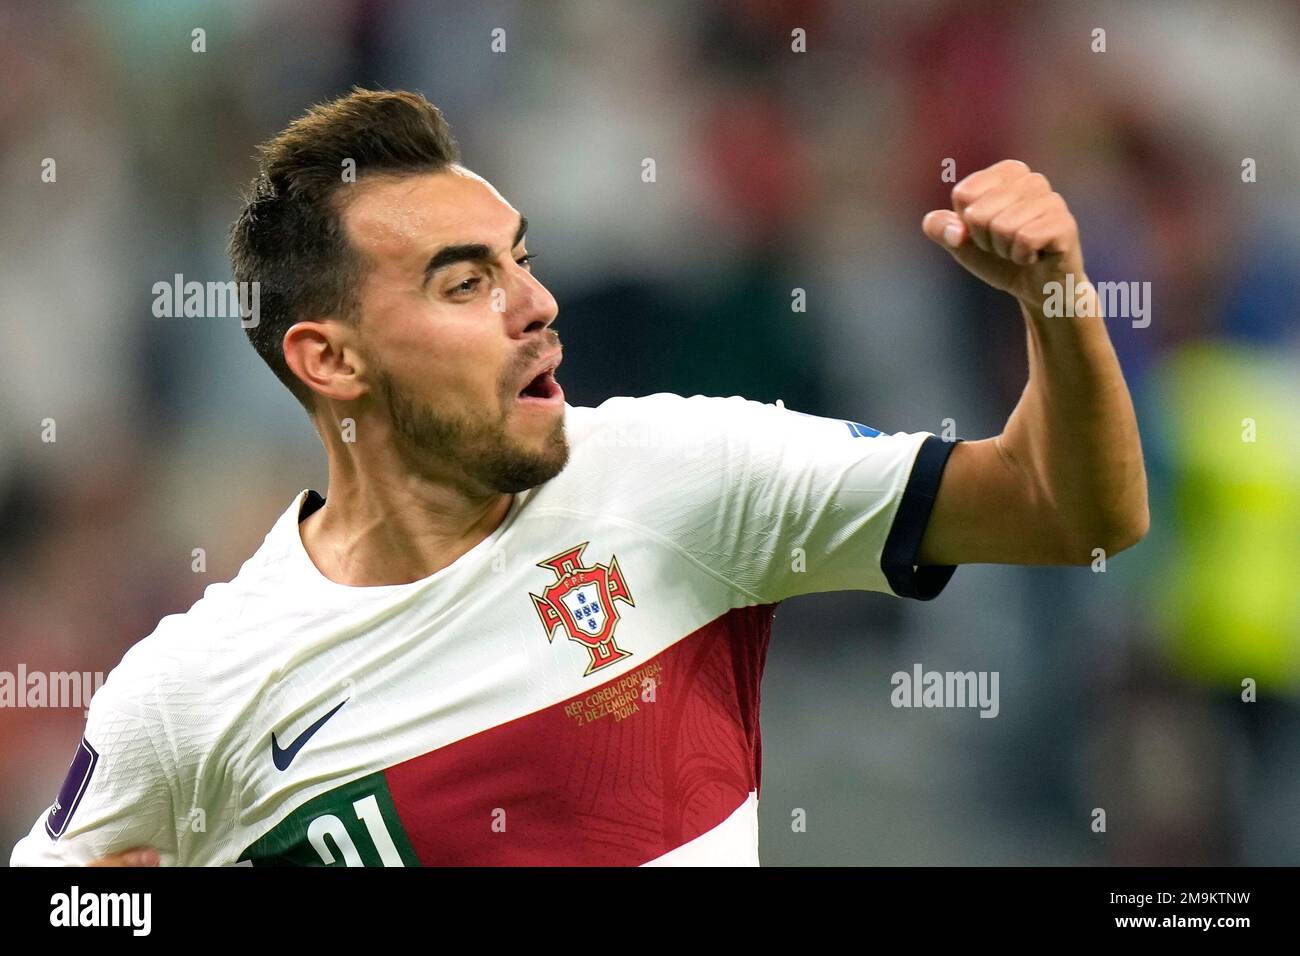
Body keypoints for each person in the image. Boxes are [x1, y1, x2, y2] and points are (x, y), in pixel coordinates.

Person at [11, 88, 1147, 866]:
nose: (534, 304)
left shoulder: (677, 472)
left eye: (523, 260)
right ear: (330, 357)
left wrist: (1055, 293)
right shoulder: (192, 690)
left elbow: (1073, 512)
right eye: (464, 284)